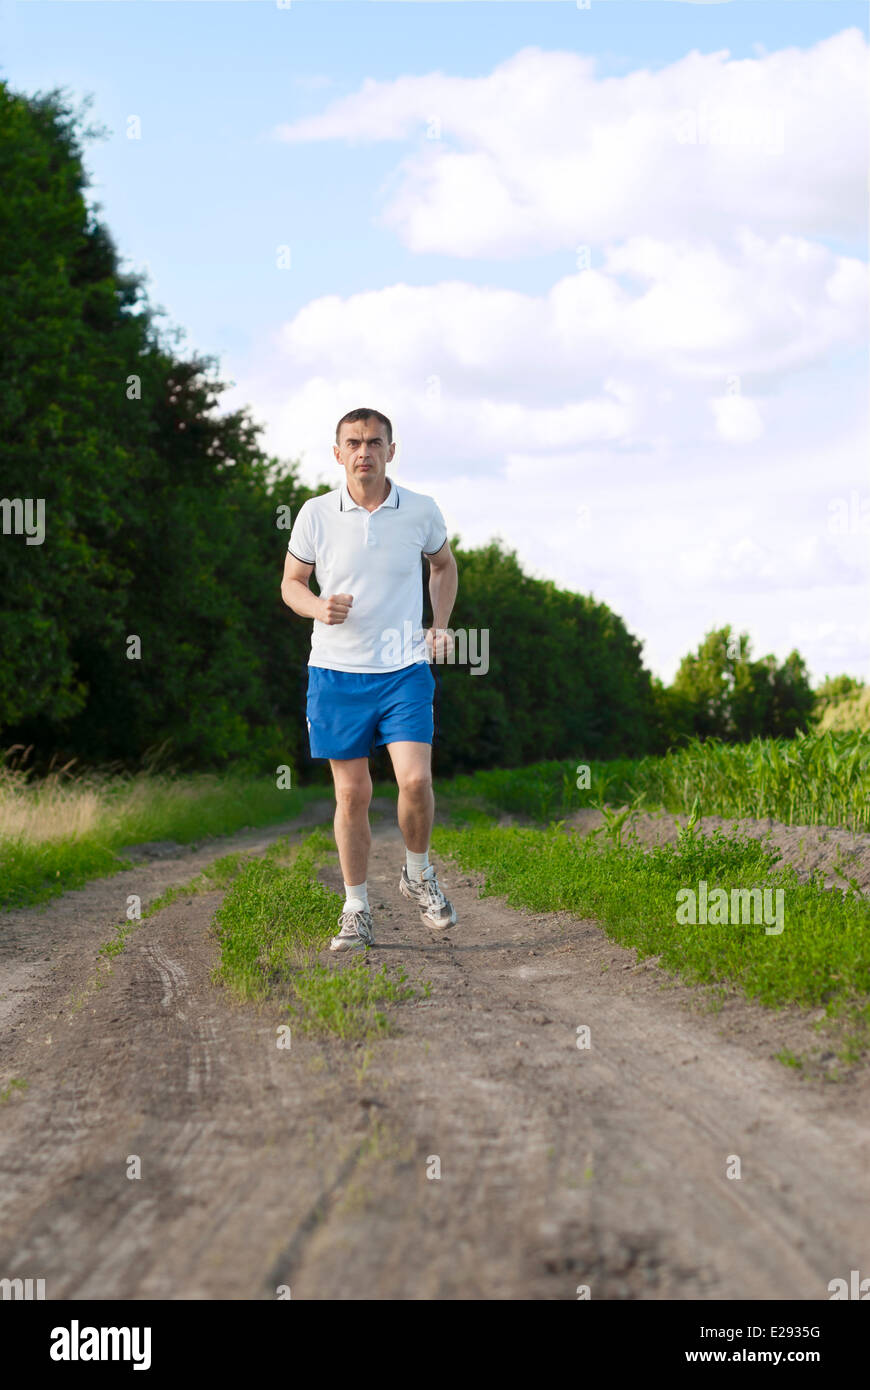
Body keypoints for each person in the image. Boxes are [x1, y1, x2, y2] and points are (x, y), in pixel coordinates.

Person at [281, 408, 460, 952]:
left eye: (374, 443)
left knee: (414, 781)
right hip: (336, 673)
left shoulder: (421, 510)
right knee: (353, 793)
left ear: (390, 450)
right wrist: (317, 607)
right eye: (353, 443)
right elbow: (291, 583)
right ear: (338, 453)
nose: (364, 452)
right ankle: (356, 910)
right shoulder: (315, 514)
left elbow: (443, 566)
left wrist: (440, 627)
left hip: (403, 666)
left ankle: (417, 871)